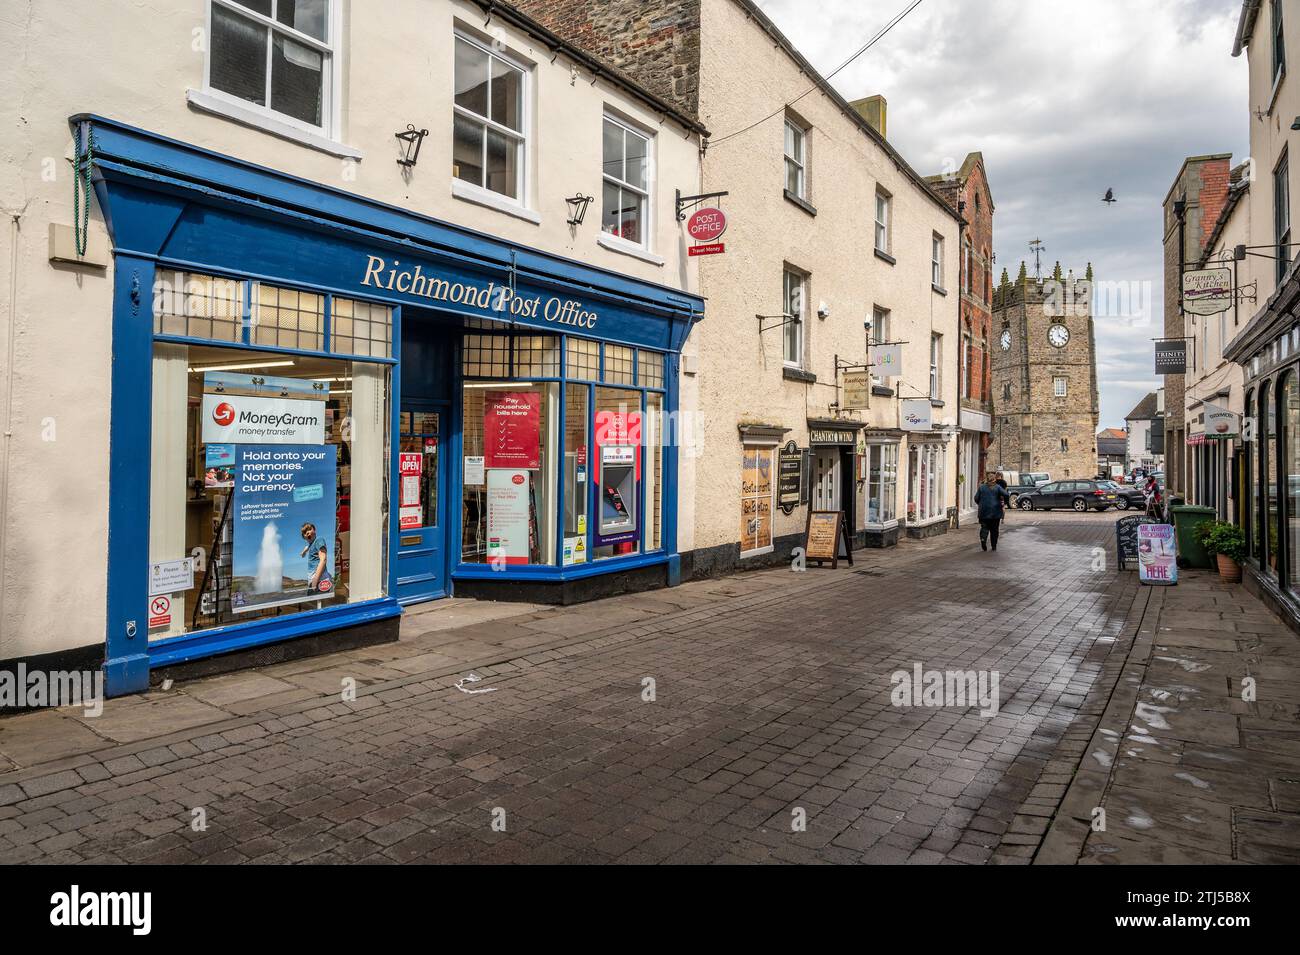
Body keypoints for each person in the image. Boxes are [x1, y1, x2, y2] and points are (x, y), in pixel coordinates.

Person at [974, 472, 1011, 552]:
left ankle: (983, 540)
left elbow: (976, 498)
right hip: (995, 512)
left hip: (983, 511)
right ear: (994, 480)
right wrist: (1003, 501)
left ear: (987, 479)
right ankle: (993, 546)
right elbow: (1006, 494)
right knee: (994, 529)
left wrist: (981, 504)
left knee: (984, 527)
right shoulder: (998, 487)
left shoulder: (981, 487)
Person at [300, 522, 333, 593]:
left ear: (314, 530)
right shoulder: (310, 545)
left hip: (319, 579)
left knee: (319, 602)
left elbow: (323, 559)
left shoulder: (318, 540)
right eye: (305, 532)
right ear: (304, 537)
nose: (308, 532)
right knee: (312, 602)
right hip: (314, 579)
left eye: (309, 529)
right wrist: (304, 551)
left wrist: (315, 580)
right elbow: (302, 556)